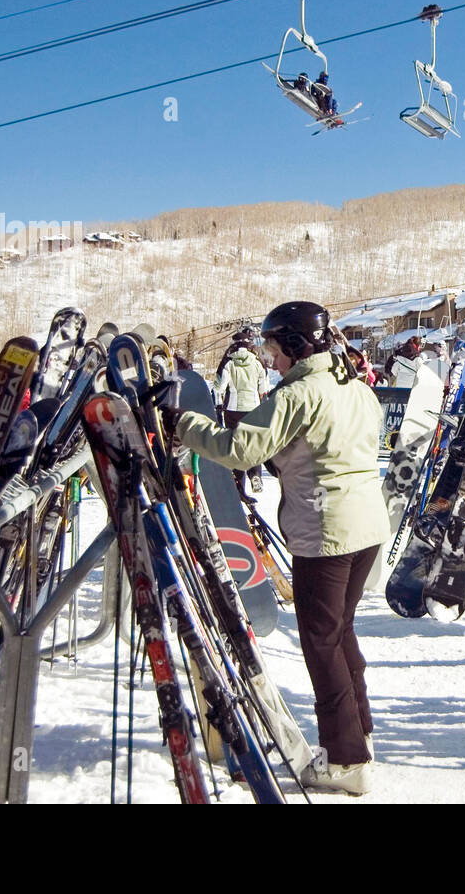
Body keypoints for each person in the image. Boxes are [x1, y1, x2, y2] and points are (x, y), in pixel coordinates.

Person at [173, 301, 388, 795]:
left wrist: (183, 424)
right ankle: (359, 736)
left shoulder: (297, 393)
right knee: (339, 631)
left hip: (326, 530)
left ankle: (345, 759)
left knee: (320, 640)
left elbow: (238, 448)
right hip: (366, 524)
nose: (268, 357)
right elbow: (329, 446)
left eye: (273, 347)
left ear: (293, 345)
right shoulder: (353, 386)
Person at [214, 328, 270, 492]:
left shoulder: (229, 363)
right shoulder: (257, 362)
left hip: (232, 409)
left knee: (236, 444)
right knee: (252, 442)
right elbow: (264, 386)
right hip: (253, 408)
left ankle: (238, 482)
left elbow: (219, 386)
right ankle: (256, 475)